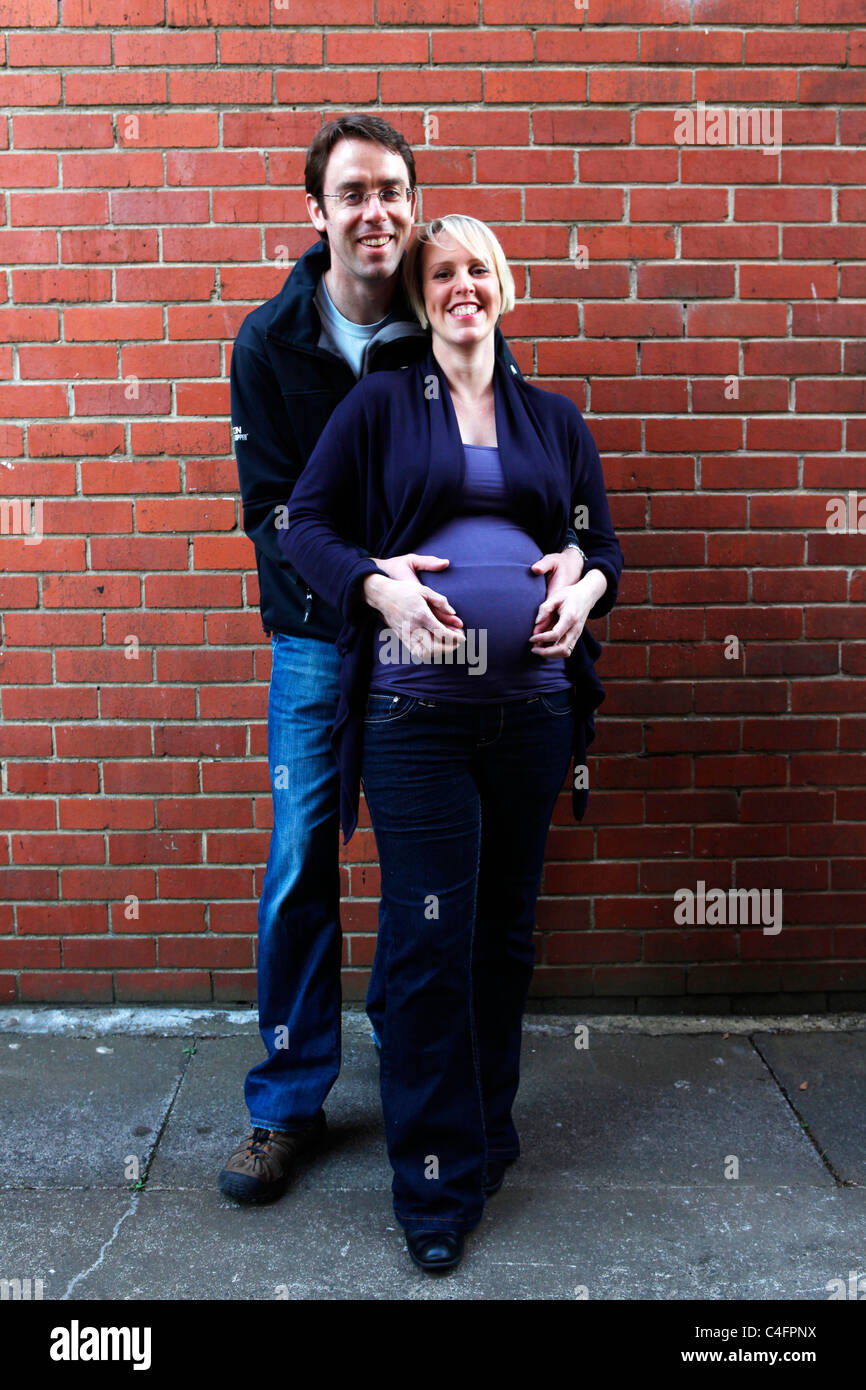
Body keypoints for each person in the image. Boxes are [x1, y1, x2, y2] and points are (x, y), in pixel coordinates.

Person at [221, 120, 586, 1207]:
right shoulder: (269, 340)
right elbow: (276, 512)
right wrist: (372, 587)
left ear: (412, 203)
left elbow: (513, 472)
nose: (373, 211)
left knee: (439, 888)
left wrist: (565, 554)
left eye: (391, 190)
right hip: (320, 638)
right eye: (351, 194)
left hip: (457, 669)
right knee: (301, 857)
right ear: (317, 213)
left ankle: (422, 1067)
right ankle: (284, 1103)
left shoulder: (447, 314)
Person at [282, 215, 624, 1272]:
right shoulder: (380, 406)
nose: (462, 284)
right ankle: (432, 1186)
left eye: (477, 267)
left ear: (502, 285)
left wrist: (583, 582)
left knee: (501, 938)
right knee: (430, 941)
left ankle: (481, 1129)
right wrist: (378, 585)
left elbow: (599, 543)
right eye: (443, 272)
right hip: (414, 718)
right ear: (423, 298)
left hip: (529, 714)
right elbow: (303, 524)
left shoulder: (552, 419)